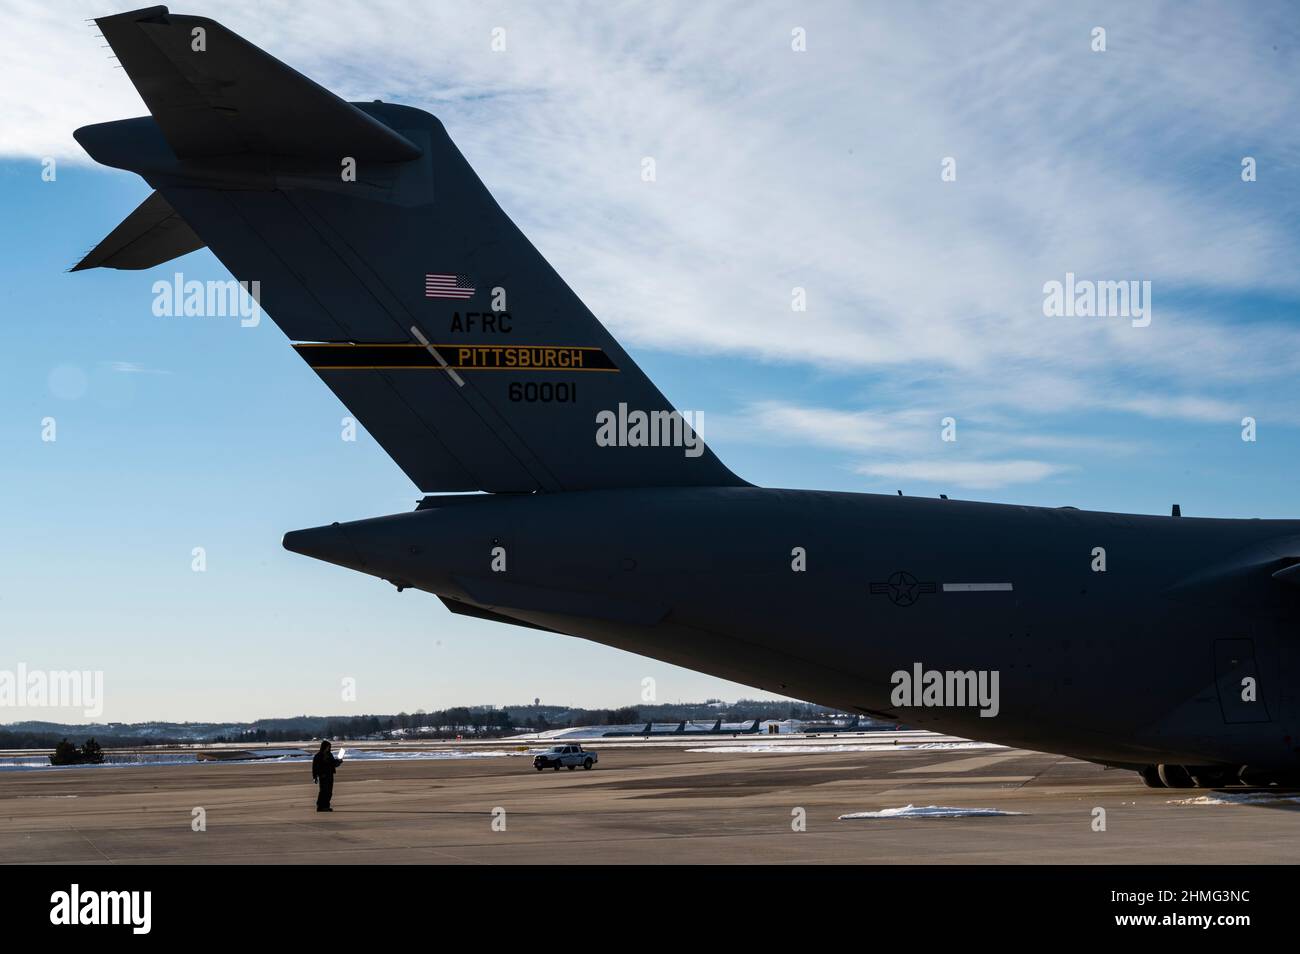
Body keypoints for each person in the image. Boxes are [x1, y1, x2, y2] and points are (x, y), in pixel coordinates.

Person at [312, 740, 342, 812]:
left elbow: (333, 764)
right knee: (323, 791)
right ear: (324, 747)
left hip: (330, 775)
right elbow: (314, 767)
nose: (329, 748)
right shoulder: (318, 755)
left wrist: (339, 762)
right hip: (323, 776)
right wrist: (315, 777)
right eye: (328, 747)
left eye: (329, 747)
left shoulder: (330, 754)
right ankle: (320, 806)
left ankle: (326, 806)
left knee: (329, 792)